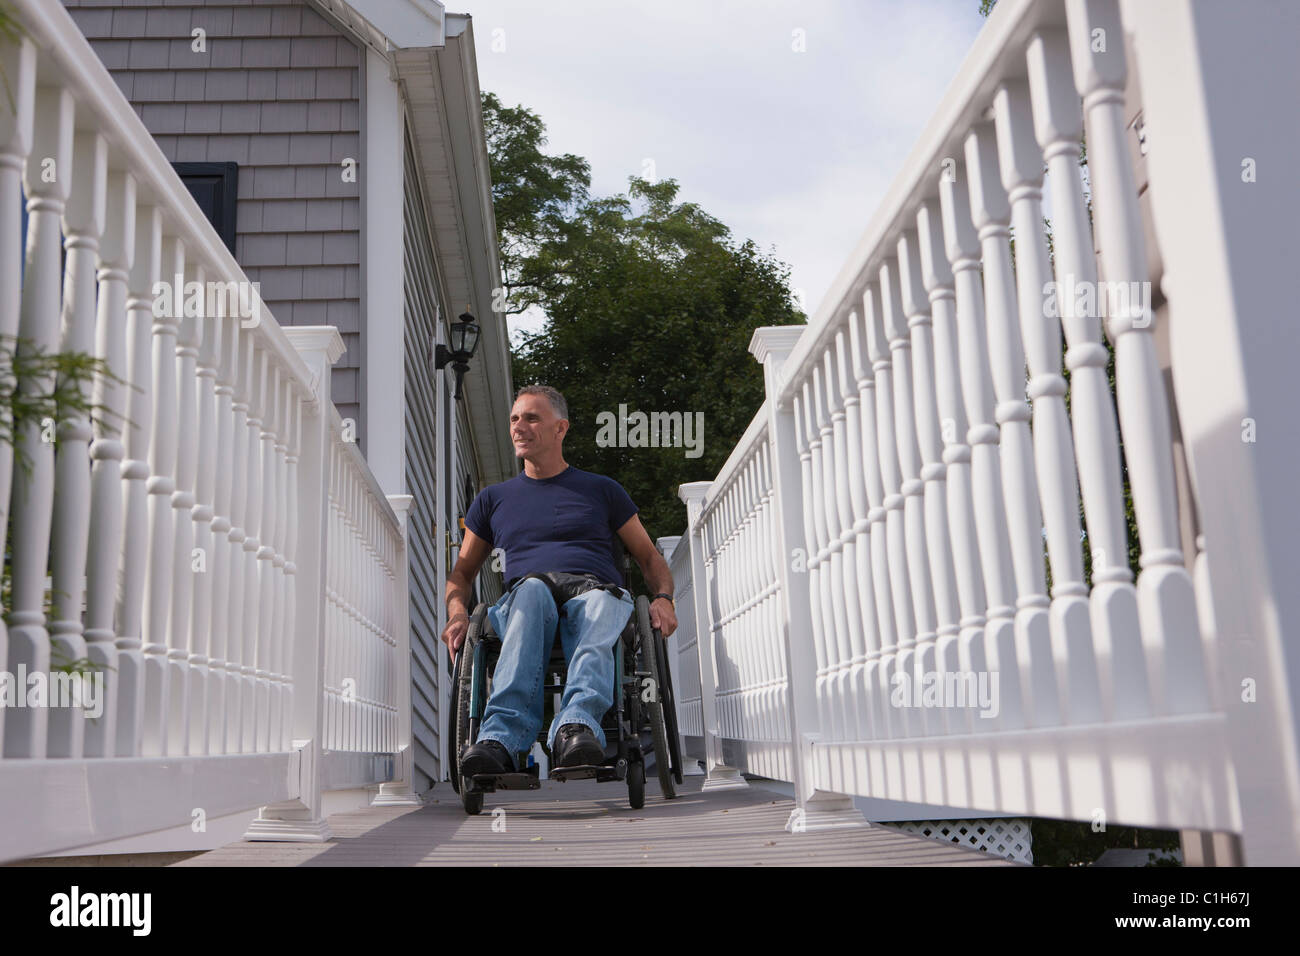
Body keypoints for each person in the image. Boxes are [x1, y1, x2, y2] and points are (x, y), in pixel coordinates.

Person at [441, 385, 678, 777]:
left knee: (601, 603)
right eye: (515, 418)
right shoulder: (492, 500)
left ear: (560, 428)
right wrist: (457, 613)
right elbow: (462, 573)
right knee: (533, 592)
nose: (519, 426)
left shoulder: (602, 490)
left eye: (531, 418)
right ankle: (499, 738)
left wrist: (664, 597)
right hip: (527, 601)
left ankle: (576, 726)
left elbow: (650, 557)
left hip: (592, 592)